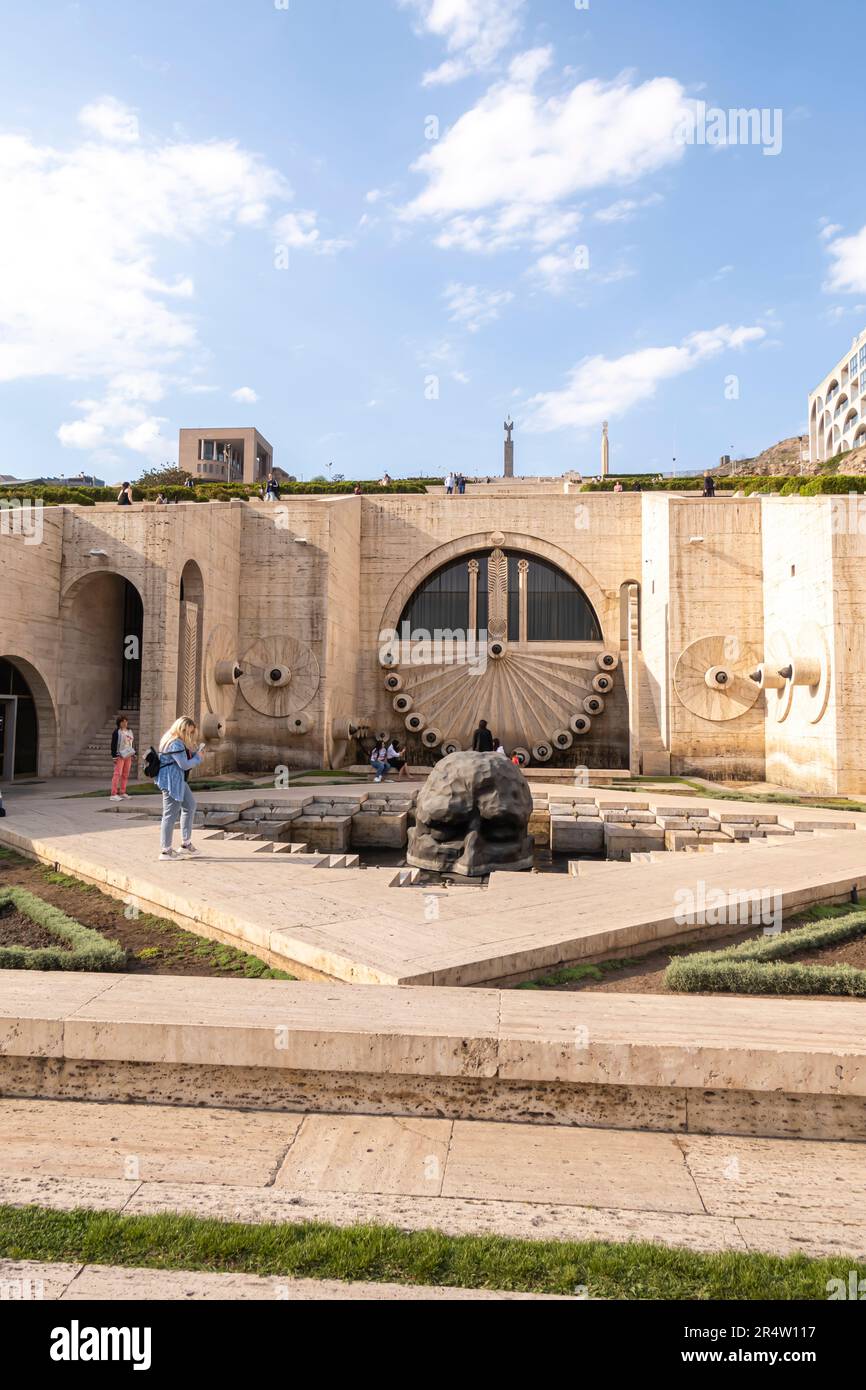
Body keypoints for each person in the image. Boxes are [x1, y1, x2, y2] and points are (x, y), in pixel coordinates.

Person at [154, 716, 204, 861]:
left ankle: (185, 844)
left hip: (177, 779)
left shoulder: (170, 738)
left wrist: (195, 754)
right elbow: (184, 764)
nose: (190, 735)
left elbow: (181, 761)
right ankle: (165, 851)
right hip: (172, 780)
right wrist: (198, 758)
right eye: (189, 732)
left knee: (190, 805)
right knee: (170, 814)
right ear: (182, 729)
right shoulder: (175, 743)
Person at [109, 716, 135, 801]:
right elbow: (113, 744)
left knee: (125, 774)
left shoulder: (129, 731)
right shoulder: (117, 732)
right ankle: (113, 794)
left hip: (128, 754)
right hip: (119, 755)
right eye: (122, 722)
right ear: (119, 723)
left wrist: (134, 753)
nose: (124, 723)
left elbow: (132, 743)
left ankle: (122, 792)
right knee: (117, 774)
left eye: (126, 721)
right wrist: (114, 756)